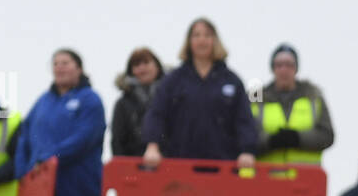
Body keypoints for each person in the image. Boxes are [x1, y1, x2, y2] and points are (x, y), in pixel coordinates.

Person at [15, 49, 105, 196]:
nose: (60, 67)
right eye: (55, 63)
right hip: (41, 184)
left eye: (65, 62)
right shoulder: (42, 103)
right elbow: (24, 135)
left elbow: (85, 136)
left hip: (77, 183)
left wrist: (52, 157)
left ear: (79, 68)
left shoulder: (90, 100)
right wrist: (22, 169)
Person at [141, 18, 257, 168]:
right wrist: (152, 146)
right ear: (189, 42)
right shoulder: (173, 81)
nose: (202, 40)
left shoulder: (232, 81)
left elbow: (244, 119)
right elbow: (157, 114)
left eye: (207, 35)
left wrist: (247, 150)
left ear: (215, 41)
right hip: (180, 166)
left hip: (222, 167)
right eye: (196, 35)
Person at [253, 44, 335, 164]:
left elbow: (327, 136)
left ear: (296, 68)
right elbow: (245, 137)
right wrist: (271, 141)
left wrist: (297, 138)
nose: (284, 70)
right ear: (272, 68)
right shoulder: (256, 98)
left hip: (305, 178)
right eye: (279, 65)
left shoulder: (314, 97)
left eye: (289, 65)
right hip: (267, 178)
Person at [111, 48, 164, 157]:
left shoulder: (172, 97)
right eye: (136, 65)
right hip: (134, 165)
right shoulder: (123, 104)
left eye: (146, 62)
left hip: (171, 162)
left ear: (157, 66)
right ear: (131, 71)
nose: (142, 68)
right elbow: (118, 140)